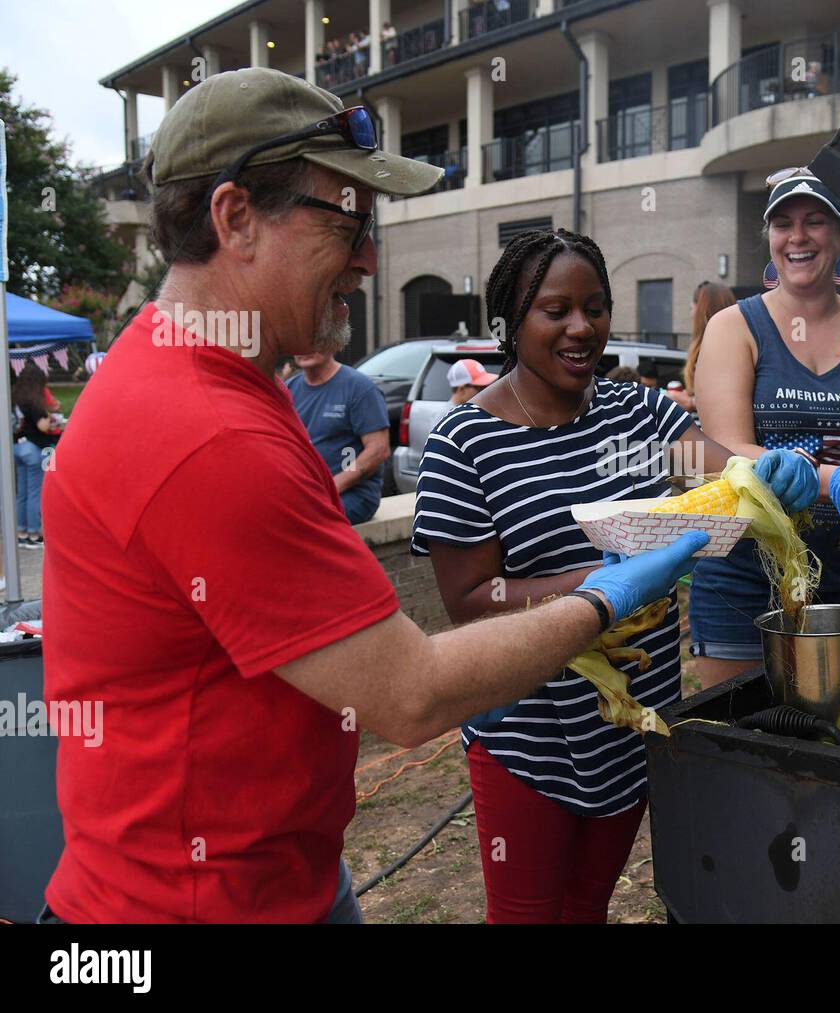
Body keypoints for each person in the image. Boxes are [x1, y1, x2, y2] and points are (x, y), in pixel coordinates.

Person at [38, 67, 705, 925]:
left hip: (279, 882)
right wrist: (603, 597)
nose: (367, 256)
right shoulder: (206, 433)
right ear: (235, 218)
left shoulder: (216, 383)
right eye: (345, 218)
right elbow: (410, 692)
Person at [412, 227, 817, 923]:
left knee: (587, 908)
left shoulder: (641, 411)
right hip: (530, 738)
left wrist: (771, 474)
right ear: (511, 321)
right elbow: (470, 605)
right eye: (556, 309)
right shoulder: (464, 445)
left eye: (595, 307)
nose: (582, 328)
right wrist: (600, 586)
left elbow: (720, 467)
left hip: (630, 727)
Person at [690, 168, 840, 689]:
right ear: (770, 239)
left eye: (814, 221)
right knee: (740, 737)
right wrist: (835, 482)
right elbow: (727, 452)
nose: (797, 237)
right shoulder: (734, 327)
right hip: (744, 577)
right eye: (782, 224)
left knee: (839, 736)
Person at [287, 341, 390, 524]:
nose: (305, 347)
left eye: (315, 340)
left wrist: (333, 486)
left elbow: (378, 450)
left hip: (352, 494)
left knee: (305, 524)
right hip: (306, 492)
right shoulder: (289, 390)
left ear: (333, 344)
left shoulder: (359, 388)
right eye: (300, 340)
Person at [11, 362, 60, 548]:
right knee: (35, 493)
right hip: (33, 448)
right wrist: (51, 418)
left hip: (17, 447)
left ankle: (21, 531)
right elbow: (43, 427)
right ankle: (34, 533)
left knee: (21, 493)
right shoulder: (35, 400)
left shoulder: (15, 397)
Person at [671, 280, 736, 414]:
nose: (691, 315)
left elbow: (729, 398)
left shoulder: (718, 351)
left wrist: (690, 402)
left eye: (692, 308)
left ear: (702, 312)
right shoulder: (733, 347)